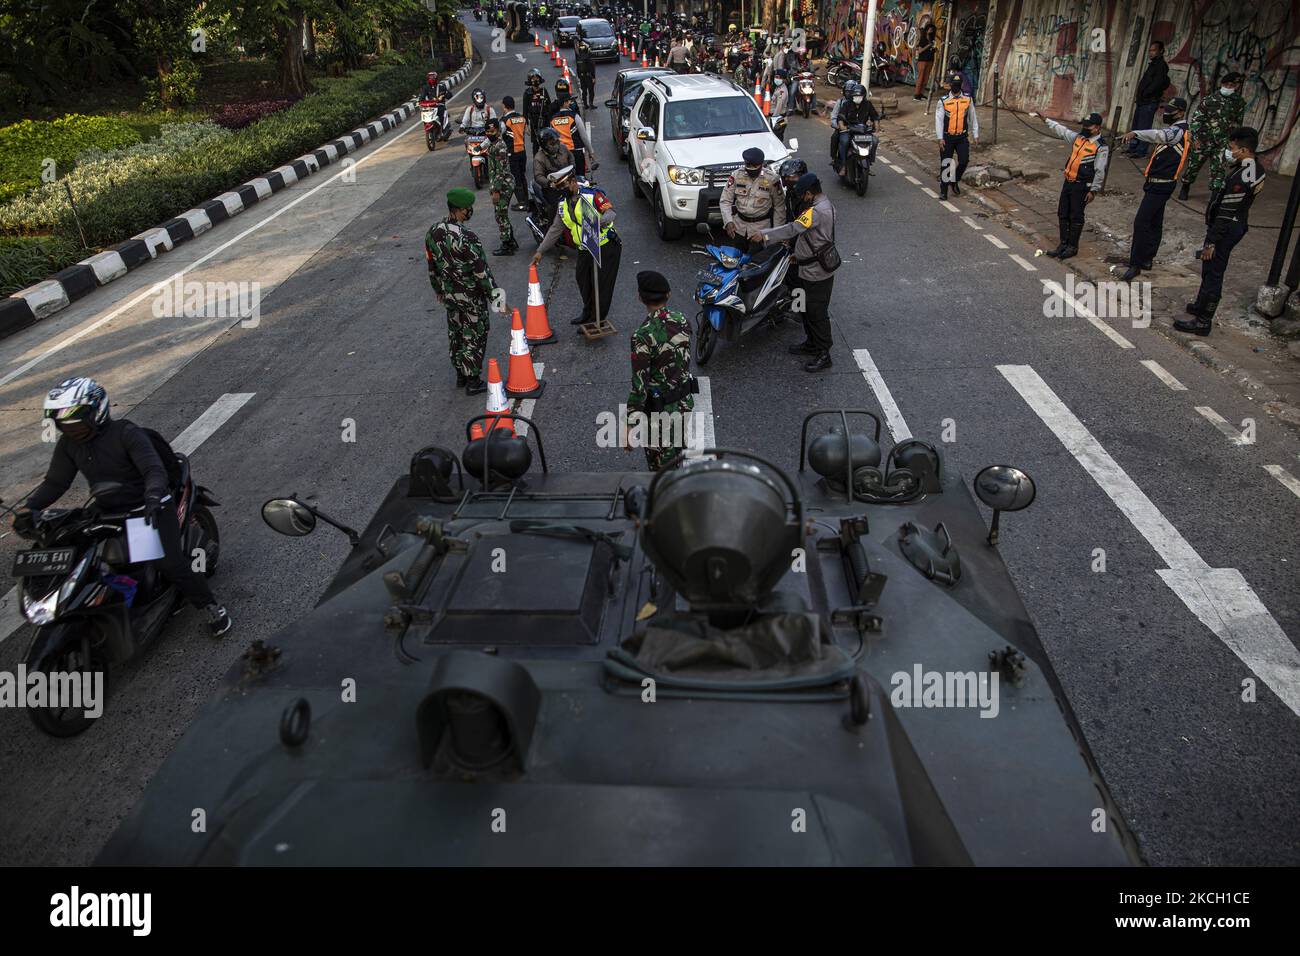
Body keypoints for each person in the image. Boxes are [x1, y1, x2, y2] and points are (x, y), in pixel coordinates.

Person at [13, 377, 232, 637]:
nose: (70, 428)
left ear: (97, 412)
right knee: (82, 556)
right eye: (63, 424)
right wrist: (30, 508)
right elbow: (56, 482)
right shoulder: (69, 444)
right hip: (107, 510)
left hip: (147, 508)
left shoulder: (126, 433)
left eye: (74, 421)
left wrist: (152, 497)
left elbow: (153, 470)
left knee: (169, 563)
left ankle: (211, 607)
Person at [1175, 127, 1265, 337]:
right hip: (1232, 225)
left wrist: (1212, 241)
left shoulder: (1244, 175)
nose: (1229, 151)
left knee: (1214, 272)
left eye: (1232, 148)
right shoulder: (1252, 167)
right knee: (1208, 269)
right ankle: (1199, 305)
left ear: (1243, 149)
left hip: (1227, 228)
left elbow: (1226, 210)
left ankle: (1203, 321)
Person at [759, 173, 837, 373]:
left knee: (817, 313)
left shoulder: (816, 212)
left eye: (803, 195)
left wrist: (764, 235)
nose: (802, 198)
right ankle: (811, 343)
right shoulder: (823, 205)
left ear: (810, 193)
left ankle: (823, 353)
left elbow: (793, 229)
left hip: (816, 272)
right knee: (805, 308)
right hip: (806, 266)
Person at [426, 188, 499, 395]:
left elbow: (431, 265)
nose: (470, 211)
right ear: (458, 210)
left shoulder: (433, 231)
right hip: (471, 296)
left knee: (456, 332)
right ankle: (473, 380)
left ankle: (460, 374)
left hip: (450, 295)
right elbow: (482, 272)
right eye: (468, 209)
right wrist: (497, 300)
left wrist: (438, 289)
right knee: (475, 333)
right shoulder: (467, 237)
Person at [530, 165, 621, 329]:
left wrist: (595, 223)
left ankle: (597, 320)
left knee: (602, 285)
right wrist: (540, 251)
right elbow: (555, 229)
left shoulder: (591, 195)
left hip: (605, 245)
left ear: (573, 182)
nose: (561, 190)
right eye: (558, 188)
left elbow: (611, 213)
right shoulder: (563, 204)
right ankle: (588, 313)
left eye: (563, 186)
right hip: (585, 247)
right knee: (583, 280)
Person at [626, 270, 695, 470]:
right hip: (683, 404)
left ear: (640, 298)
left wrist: (630, 423)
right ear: (669, 295)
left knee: (660, 470)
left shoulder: (642, 336)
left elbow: (639, 384)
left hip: (659, 414)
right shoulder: (682, 320)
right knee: (678, 456)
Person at [1118, 97, 1190, 280]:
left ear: (1181, 112)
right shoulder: (1175, 129)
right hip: (1156, 182)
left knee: (1141, 222)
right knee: (1155, 221)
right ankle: (1147, 258)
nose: (1166, 114)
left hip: (1162, 184)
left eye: (1170, 111)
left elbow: (1159, 136)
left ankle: (1135, 264)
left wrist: (1135, 133)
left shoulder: (1178, 131)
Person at [1041, 111, 1109, 260]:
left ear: (1097, 128)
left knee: (1076, 216)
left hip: (1082, 186)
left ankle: (1073, 247)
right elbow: (1063, 131)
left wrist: (1094, 190)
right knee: (1062, 213)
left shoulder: (1100, 147)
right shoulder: (1080, 138)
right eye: (1084, 125)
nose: (1085, 128)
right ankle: (1063, 244)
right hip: (1069, 182)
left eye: (1088, 126)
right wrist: (1047, 120)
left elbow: (1100, 171)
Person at [1179, 72, 1247, 199]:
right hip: (1204, 139)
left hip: (1223, 142)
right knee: (1194, 165)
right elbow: (1196, 120)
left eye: (1232, 85)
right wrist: (1195, 138)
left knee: (1219, 170)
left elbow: (1237, 123)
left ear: (1237, 86)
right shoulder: (1209, 100)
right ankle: (1185, 186)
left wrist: (1233, 143)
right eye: (1226, 84)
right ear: (1222, 84)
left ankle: (1215, 195)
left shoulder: (1239, 103)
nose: (1228, 87)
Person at [720, 147, 786, 249]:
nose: (751, 168)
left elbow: (780, 207)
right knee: (735, 260)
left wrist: (774, 234)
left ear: (762, 164)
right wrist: (728, 222)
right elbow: (725, 200)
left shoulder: (772, 179)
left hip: (760, 231)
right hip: (739, 228)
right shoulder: (737, 175)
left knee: (756, 262)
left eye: (754, 166)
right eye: (748, 165)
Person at [935, 73, 978, 200]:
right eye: (954, 85)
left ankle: (954, 180)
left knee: (964, 161)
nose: (956, 87)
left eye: (958, 85)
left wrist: (976, 134)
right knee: (946, 164)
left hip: (962, 137)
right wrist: (939, 138)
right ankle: (943, 191)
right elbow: (938, 120)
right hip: (947, 137)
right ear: (950, 85)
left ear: (961, 86)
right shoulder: (943, 101)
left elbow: (973, 118)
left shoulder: (967, 100)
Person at [1125, 41, 1169, 158]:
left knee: (1144, 127)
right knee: (1136, 125)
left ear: (1160, 51)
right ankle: (1133, 147)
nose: (1151, 53)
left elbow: (1157, 83)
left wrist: (1146, 93)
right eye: (1150, 50)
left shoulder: (1161, 66)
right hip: (1142, 101)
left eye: (1153, 50)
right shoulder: (1153, 64)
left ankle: (1141, 151)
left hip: (1149, 101)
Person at [484, 118, 518, 257]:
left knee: (500, 215)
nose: (490, 133)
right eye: (487, 131)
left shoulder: (500, 146)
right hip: (500, 184)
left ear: (498, 131)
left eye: (492, 131)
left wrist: (496, 191)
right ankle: (510, 241)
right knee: (501, 213)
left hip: (503, 185)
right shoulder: (493, 144)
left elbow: (501, 171)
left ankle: (506, 245)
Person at [830, 81, 880, 174]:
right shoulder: (846, 104)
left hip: (862, 130)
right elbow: (840, 117)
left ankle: (870, 162)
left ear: (864, 96)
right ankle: (843, 165)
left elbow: (875, 116)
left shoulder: (867, 104)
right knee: (844, 141)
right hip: (849, 130)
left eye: (859, 96)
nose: (857, 98)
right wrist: (842, 126)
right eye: (855, 96)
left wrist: (876, 126)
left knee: (875, 141)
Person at [549, 96, 596, 176]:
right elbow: (583, 136)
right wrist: (591, 152)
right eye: (569, 101)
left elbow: (552, 138)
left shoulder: (553, 119)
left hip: (561, 155)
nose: (571, 103)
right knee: (580, 179)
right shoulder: (574, 116)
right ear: (565, 103)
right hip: (576, 152)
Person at [500, 96, 530, 210]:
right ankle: (526, 200)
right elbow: (527, 132)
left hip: (512, 153)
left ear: (504, 106)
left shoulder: (505, 121)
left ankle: (522, 203)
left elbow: (498, 135)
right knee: (522, 176)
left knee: (515, 177)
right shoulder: (522, 118)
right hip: (523, 151)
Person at [522, 70, 552, 150]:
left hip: (545, 120)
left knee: (546, 143)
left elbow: (550, 107)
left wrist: (551, 121)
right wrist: (526, 125)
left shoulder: (543, 91)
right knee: (536, 144)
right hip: (534, 122)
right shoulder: (527, 93)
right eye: (533, 78)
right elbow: (525, 111)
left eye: (537, 78)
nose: (535, 80)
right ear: (529, 80)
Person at [778, 157, 808, 223]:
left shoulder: (808, 197)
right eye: (785, 178)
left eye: (792, 177)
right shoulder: (790, 193)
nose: (788, 180)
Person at [914, 23, 937, 100]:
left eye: (932, 30)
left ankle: (921, 93)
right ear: (926, 30)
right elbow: (920, 51)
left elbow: (931, 49)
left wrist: (934, 49)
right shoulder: (923, 39)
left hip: (930, 60)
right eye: (930, 29)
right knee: (921, 78)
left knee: (926, 78)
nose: (931, 31)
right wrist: (928, 46)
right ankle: (917, 94)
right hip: (923, 60)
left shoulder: (932, 39)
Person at [576, 41, 597, 109]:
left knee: (584, 91)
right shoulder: (588, 57)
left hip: (582, 77)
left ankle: (585, 105)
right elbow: (592, 68)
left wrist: (579, 76)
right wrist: (593, 77)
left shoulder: (578, 57)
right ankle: (591, 104)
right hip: (589, 76)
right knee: (591, 91)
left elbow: (577, 68)